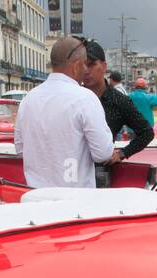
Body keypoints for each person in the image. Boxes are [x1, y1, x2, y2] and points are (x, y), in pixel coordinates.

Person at [13, 35, 114, 189]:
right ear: (76, 65)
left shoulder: (29, 99)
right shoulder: (85, 99)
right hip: (74, 202)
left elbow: (20, 150)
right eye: (85, 64)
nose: (86, 69)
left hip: (35, 199)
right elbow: (103, 153)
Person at [81, 40, 152, 160]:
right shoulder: (74, 98)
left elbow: (147, 133)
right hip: (71, 171)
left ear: (104, 66)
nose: (86, 70)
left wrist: (122, 153)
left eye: (91, 64)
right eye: (82, 65)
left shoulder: (118, 100)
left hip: (102, 172)